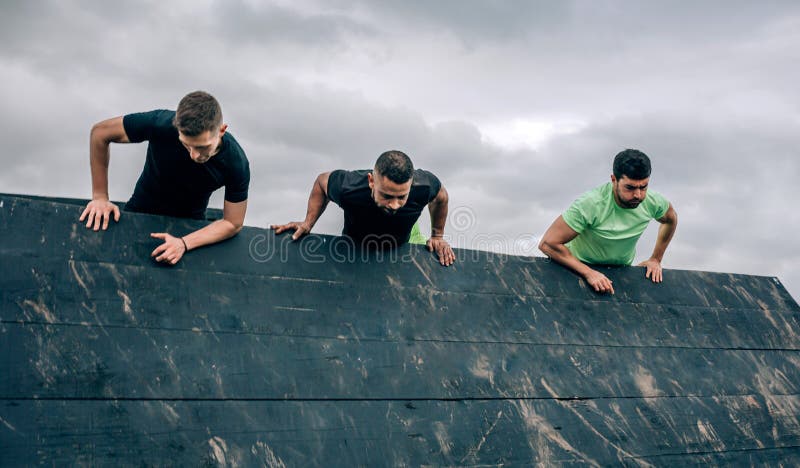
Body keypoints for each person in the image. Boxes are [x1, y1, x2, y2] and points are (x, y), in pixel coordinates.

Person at [78, 91, 250, 265]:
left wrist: (184, 243)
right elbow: (100, 133)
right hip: (140, 212)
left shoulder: (236, 162)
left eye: (202, 147)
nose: (194, 155)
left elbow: (232, 222)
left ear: (221, 130)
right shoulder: (160, 124)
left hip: (188, 227)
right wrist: (100, 197)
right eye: (186, 145)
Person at [272, 150, 456, 266]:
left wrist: (437, 235)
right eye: (386, 196)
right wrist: (308, 222)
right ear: (371, 182)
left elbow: (441, 197)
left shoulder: (424, 186)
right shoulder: (349, 187)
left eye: (401, 197)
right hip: (355, 248)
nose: (394, 205)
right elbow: (322, 182)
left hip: (399, 247)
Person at [539, 149, 677, 294]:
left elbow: (671, 220)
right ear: (614, 180)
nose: (638, 194)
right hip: (576, 269)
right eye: (629, 187)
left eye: (643, 187)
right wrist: (589, 273)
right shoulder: (591, 204)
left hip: (618, 273)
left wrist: (656, 259)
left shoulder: (654, 202)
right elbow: (548, 244)